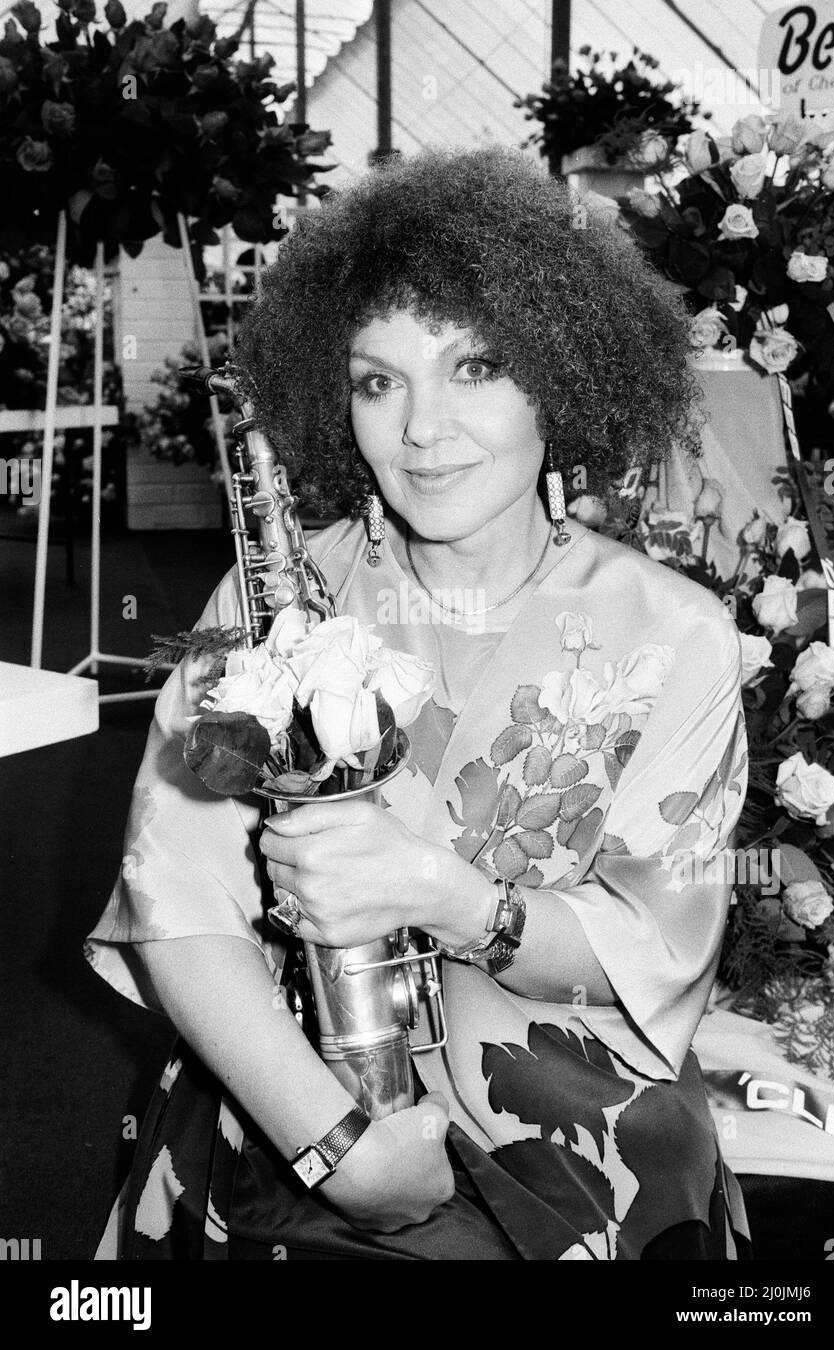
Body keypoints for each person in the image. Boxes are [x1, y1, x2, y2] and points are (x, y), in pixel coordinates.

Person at [87, 147, 750, 1261]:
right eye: (378, 379)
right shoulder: (274, 602)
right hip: (289, 1088)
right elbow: (179, 905)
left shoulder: (673, 633)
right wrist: (339, 1142)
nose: (423, 430)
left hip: (571, 1118)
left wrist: (448, 894)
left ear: (563, 376)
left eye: (476, 367)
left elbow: (651, 948)